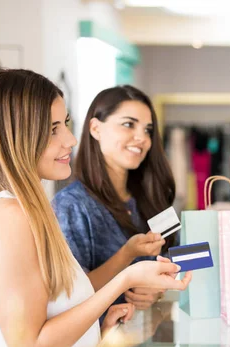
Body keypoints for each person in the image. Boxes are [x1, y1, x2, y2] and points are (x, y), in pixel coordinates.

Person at [0, 69, 192, 347]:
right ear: (14, 135)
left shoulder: (26, 210)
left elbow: (54, 304)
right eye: (53, 129)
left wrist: (98, 327)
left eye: (65, 124)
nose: (69, 139)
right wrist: (125, 279)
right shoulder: (8, 216)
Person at [53, 86, 176, 312]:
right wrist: (126, 254)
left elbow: (173, 258)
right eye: (128, 124)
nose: (141, 138)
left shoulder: (152, 196)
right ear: (95, 128)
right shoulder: (71, 205)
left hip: (147, 339)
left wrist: (159, 290)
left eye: (148, 130)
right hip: (98, 344)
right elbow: (70, 294)